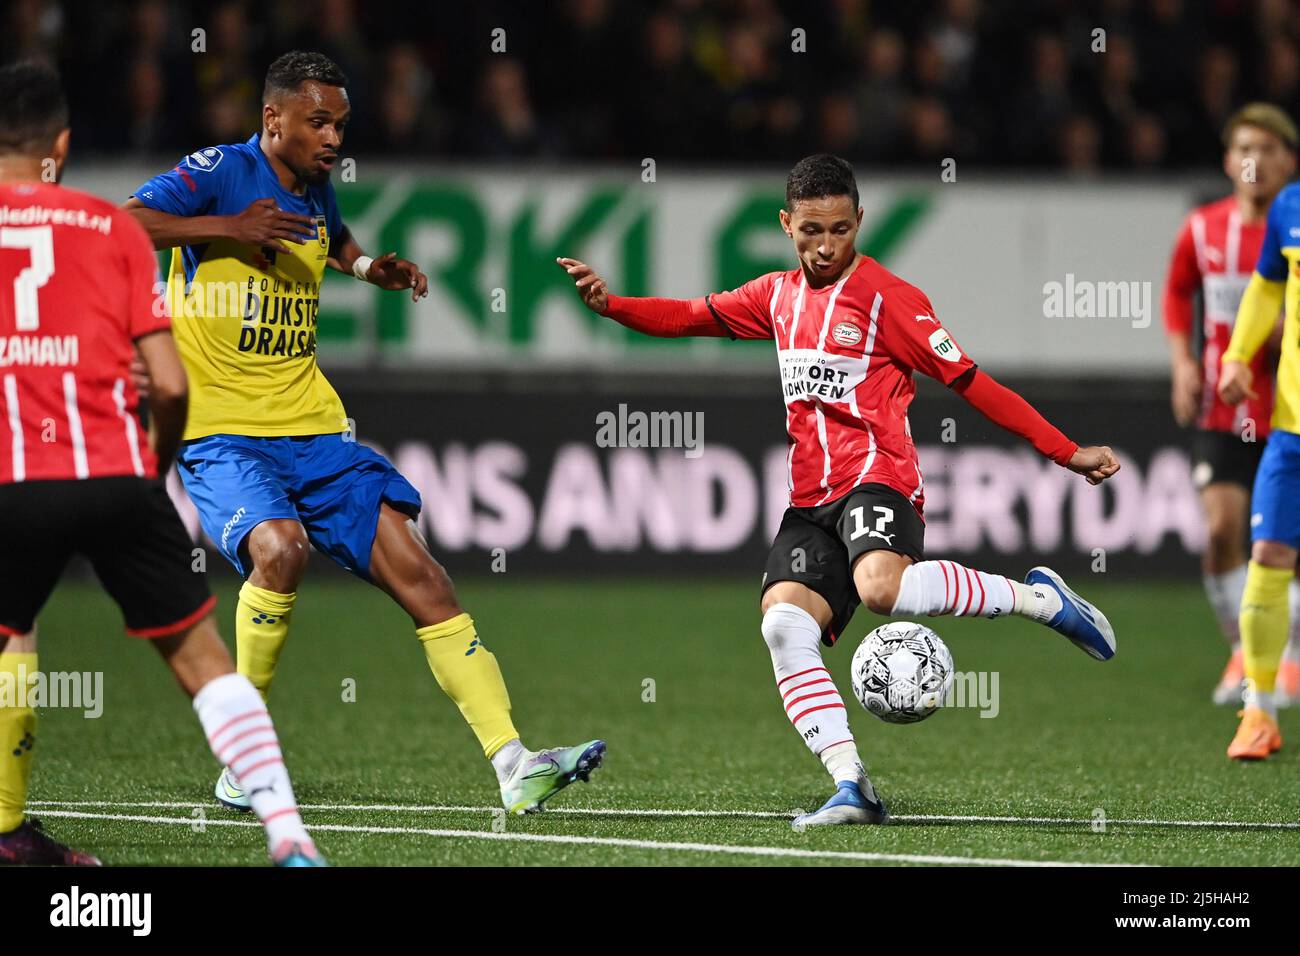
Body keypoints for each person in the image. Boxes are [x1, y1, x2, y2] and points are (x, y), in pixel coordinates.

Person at [559, 154, 1120, 827]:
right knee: (782, 626)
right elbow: (687, 317)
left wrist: (1065, 451)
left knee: (883, 589)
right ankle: (853, 784)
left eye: (841, 229)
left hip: (880, 476)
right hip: (810, 499)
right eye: (810, 232)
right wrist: (611, 305)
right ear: (785, 225)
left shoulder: (893, 301)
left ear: (860, 222)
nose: (826, 246)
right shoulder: (775, 296)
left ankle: (1038, 600)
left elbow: (974, 383)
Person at [125, 51, 603, 814]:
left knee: (425, 578)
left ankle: (515, 764)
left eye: (340, 124)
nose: (332, 137)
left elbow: (334, 239)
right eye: (317, 121)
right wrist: (226, 226)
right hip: (222, 431)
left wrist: (368, 265)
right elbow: (126, 223)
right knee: (280, 550)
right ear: (272, 118)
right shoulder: (218, 170)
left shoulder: (314, 187)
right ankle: (243, 760)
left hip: (313, 428)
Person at [0, 60, 322, 866]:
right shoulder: (107, 229)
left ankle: (7, 829)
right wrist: (154, 465)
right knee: (202, 658)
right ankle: (286, 833)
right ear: (62, 146)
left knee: (15, 636)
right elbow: (169, 382)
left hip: (14, 478)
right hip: (115, 466)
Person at [1163, 102, 1300, 706]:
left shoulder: (1294, 225)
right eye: (1245, 148)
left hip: (1287, 406)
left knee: (1279, 545)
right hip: (1224, 406)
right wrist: (1183, 362)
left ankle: (1280, 662)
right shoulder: (1202, 228)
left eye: (1269, 149)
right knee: (1222, 529)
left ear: (1289, 162)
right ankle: (1244, 653)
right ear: (1227, 161)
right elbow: (1176, 291)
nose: (1255, 160)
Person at [1219, 170, 1300, 758]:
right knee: (1267, 557)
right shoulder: (1289, 207)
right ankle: (1260, 712)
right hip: (1291, 429)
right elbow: (1268, 284)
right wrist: (1239, 354)